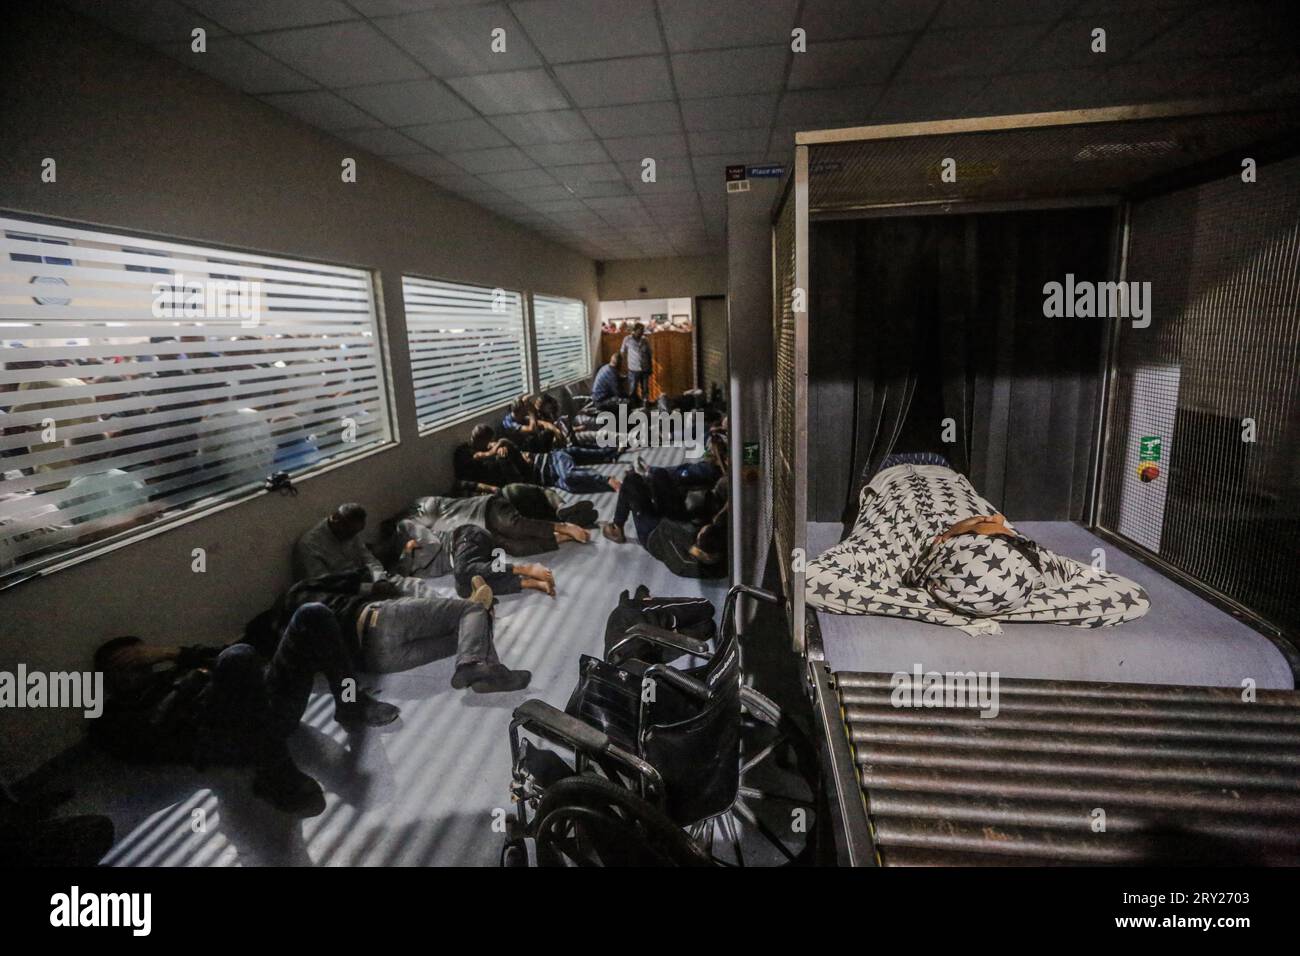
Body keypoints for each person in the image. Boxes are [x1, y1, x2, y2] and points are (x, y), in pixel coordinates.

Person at [90, 603, 401, 815]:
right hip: (240, 742)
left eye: (138, 660)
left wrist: (175, 653)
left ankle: (352, 705)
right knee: (238, 657)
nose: (135, 670)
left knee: (312, 614)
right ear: (107, 678)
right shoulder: (113, 719)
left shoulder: (170, 673)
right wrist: (192, 687)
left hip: (270, 707)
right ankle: (274, 775)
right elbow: (154, 739)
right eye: (122, 666)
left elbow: (231, 656)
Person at [260, 570, 531, 694]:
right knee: (470, 615)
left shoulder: (286, 645)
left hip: (376, 662)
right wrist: (377, 585)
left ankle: (487, 672)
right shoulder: (297, 593)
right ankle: (475, 661)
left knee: (470, 634)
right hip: (378, 620)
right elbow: (355, 581)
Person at [377, 515, 557, 598]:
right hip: (470, 561)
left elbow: (433, 544)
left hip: (466, 538)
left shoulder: (405, 527)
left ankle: (524, 568)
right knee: (463, 589)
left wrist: (410, 548)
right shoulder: (400, 563)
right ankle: (528, 583)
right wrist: (407, 554)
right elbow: (404, 575)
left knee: (462, 571)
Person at [601, 469, 729, 578]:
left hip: (656, 536)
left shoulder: (687, 560)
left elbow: (675, 532)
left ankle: (617, 528)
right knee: (659, 475)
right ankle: (649, 479)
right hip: (676, 524)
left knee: (631, 481)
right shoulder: (717, 547)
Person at [294, 502, 426, 597]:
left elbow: (369, 559)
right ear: (335, 519)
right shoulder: (310, 545)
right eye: (349, 533)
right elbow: (324, 584)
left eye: (356, 533)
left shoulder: (349, 532)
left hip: (366, 580)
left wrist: (380, 579)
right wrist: (368, 589)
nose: (352, 537)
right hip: (343, 594)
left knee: (413, 587)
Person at [410, 489, 590, 554]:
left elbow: (427, 517)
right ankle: (561, 537)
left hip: (487, 508)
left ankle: (564, 527)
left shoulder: (425, 504)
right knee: (516, 549)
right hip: (481, 532)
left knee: (515, 527)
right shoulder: (430, 534)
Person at [619, 323, 652, 404]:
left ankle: (645, 407)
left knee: (645, 390)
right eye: (640, 330)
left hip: (645, 369)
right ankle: (633, 407)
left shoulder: (645, 340)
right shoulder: (627, 339)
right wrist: (622, 366)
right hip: (633, 369)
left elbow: (649, 354)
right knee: (632, 390)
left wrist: (651, 367)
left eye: (642, 331)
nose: (642, 333)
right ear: (634, 330)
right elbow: (622, 352)